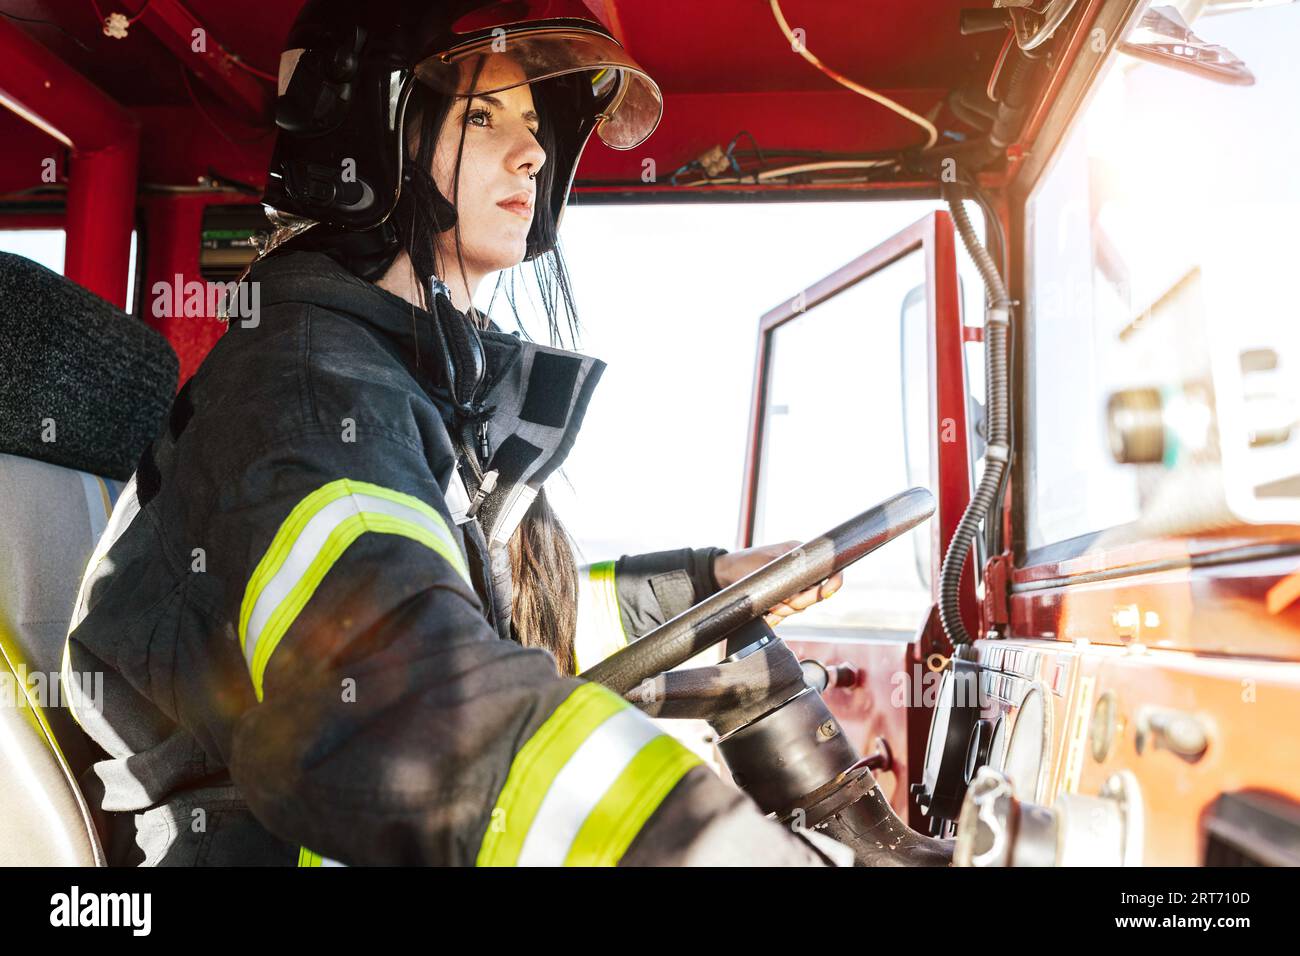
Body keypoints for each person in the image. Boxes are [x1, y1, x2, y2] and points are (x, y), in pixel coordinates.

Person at [64, 0, 843, 867]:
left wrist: (708, 584)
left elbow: (466, 610)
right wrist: (722, 851)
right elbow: (402, 701)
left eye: (536, 120)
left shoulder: (409, 379)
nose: (535, 151)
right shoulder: (311, 391)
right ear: (373, 132)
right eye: (481, 115)